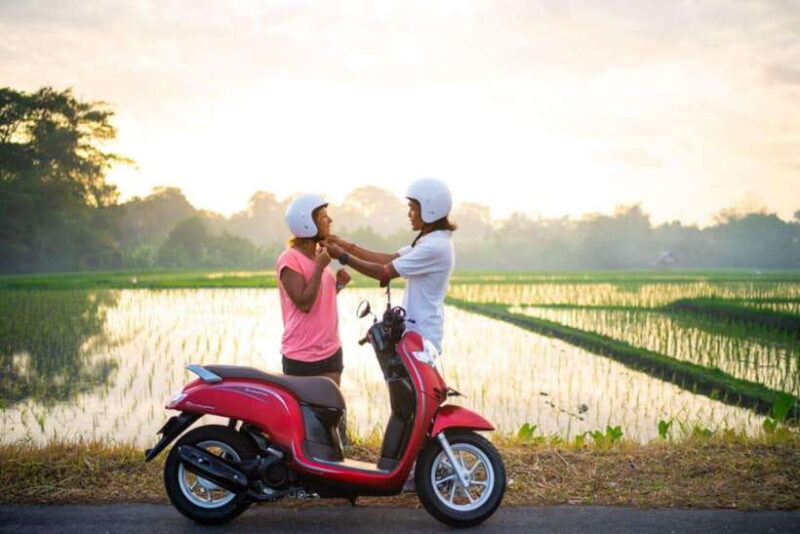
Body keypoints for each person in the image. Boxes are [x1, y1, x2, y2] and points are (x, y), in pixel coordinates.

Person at [323, 178, 455, 354]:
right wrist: (345, 245)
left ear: (430, 210)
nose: (409, 214)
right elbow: (387, 259)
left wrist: (342, 256)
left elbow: (384, 272)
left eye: (413, 208)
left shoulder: (434, 247)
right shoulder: (430, 242)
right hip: (416, 336)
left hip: (422, 342)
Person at [276, 194, 351, 386]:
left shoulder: (319, 256)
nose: (330, 220)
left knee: (331, 405)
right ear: (307, 222)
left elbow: (319, 298)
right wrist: (318, 268)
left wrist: (339, 285)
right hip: (301, 354)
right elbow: (304, 303)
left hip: (331, 350)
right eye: (324, 216)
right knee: (304, 407)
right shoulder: (289, 259)